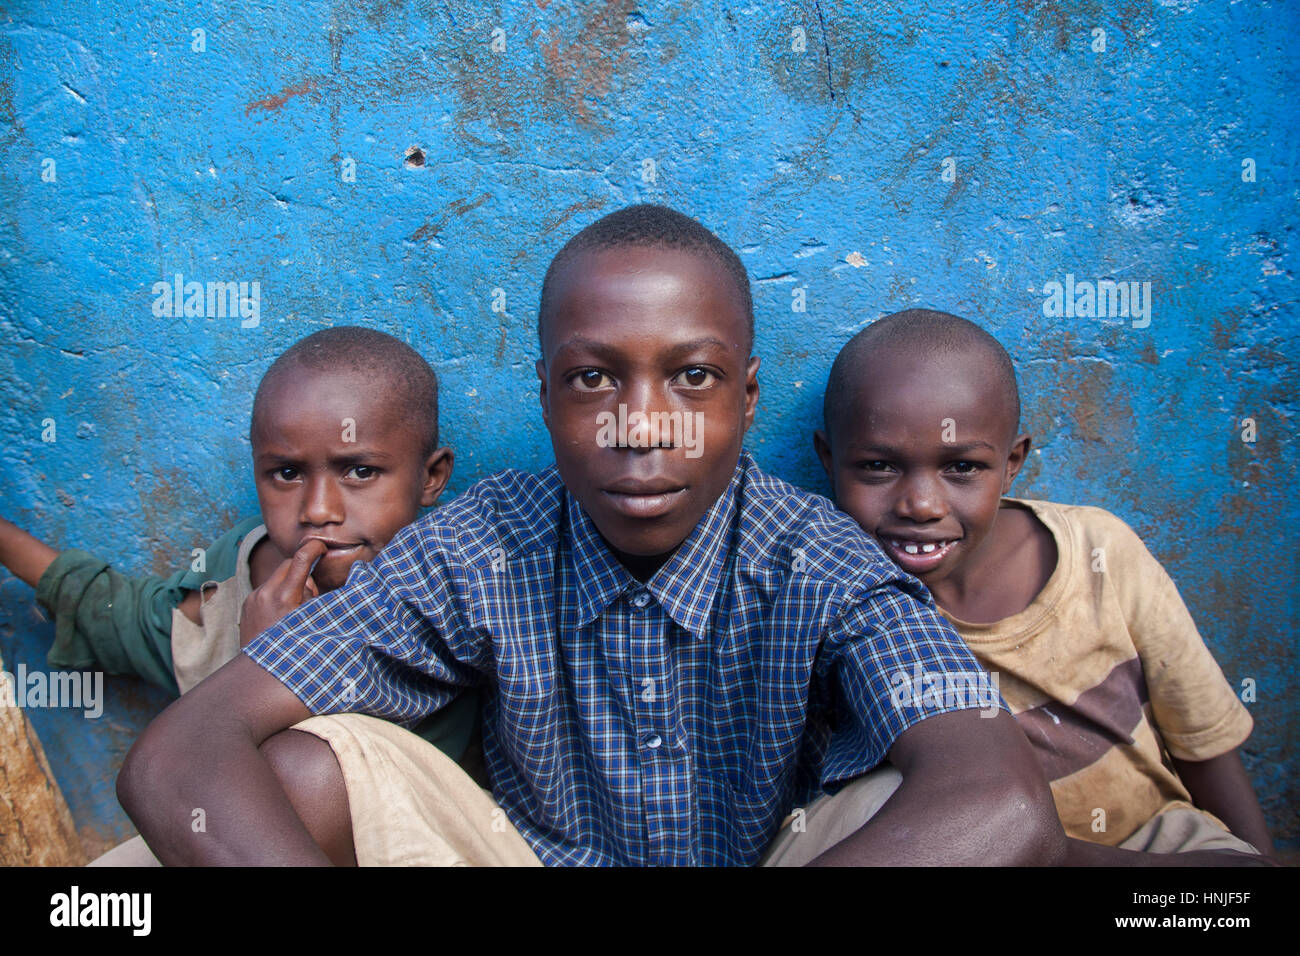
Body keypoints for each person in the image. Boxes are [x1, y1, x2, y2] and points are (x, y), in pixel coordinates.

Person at [117, 206, 1068, 866]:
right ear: (544, 397)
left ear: (747, 399)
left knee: (933, 815)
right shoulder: (481, 548)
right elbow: (181, 755)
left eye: (692, 378)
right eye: (592, 379)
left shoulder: (819, 562)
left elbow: (1002, 798)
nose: (641, 424)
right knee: (297, 774)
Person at [0, 326, 478, 864]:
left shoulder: (453, 583)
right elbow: (126, 617)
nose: (318, 509)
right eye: (287, 473)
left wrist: (275, 658)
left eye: (361, 471)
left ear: (432, 476)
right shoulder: (243, 571)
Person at [814, 308, 1272, 863]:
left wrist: (1256, 859)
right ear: (829, 460)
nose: (921, 505)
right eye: (879, 467)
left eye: (961, 468)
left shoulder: (1100, 553)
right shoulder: (848, 609)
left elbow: (1204, 742)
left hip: (1158, 843)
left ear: (1011, 464)